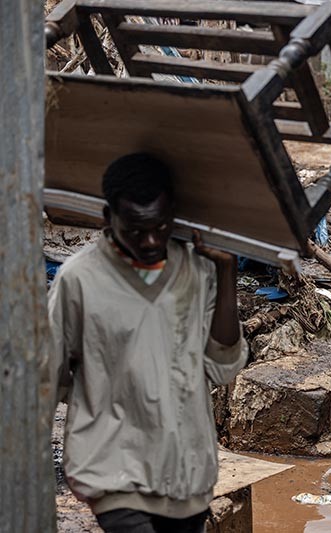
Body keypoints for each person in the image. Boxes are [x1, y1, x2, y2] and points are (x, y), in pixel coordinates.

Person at [47, 153, 248, 533]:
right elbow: (46, 376)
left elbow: (223, 366)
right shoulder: (79, 280)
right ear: (109, 219)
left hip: (185, 469)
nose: (151, 240)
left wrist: (226, 271)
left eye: (160, 226)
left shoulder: (195, 269)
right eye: (136, 230)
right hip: (112, 468)